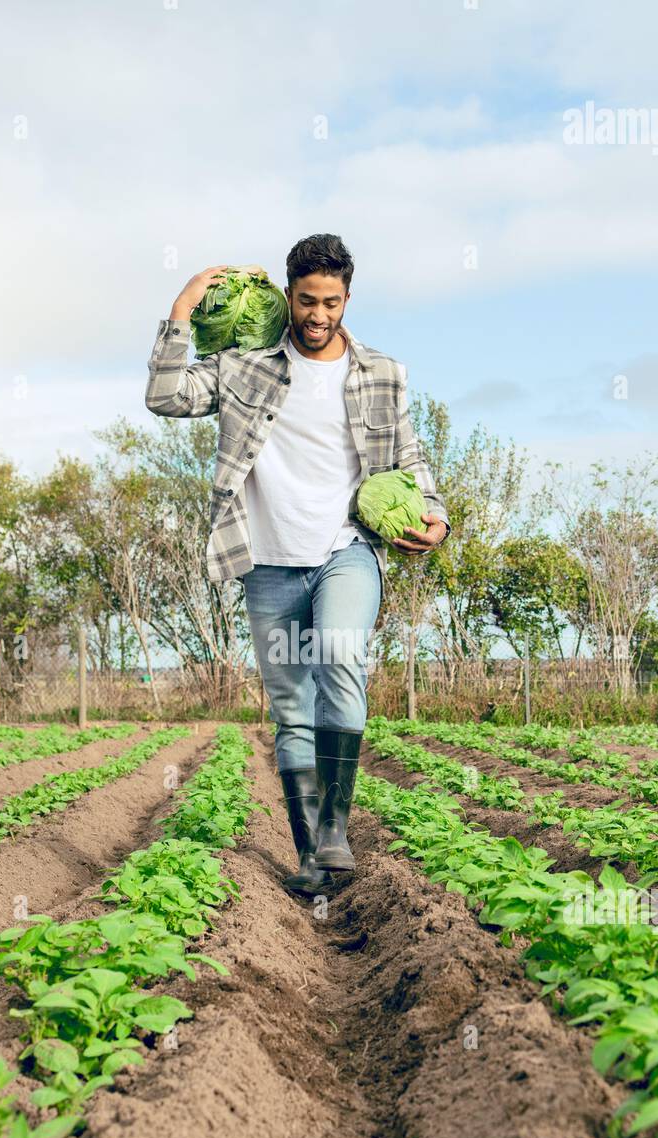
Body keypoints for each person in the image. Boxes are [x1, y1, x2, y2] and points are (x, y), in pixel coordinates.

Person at [145, 233, 450, 895]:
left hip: (345, 549)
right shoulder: (244, 366)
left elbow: (409, 457)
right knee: (292, 709)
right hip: (265, 560)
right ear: (289, 295)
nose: (318, 315)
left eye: (331, 302)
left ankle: (335, 829)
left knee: (340, 653)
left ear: (347, 298)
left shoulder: (380, 372)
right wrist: (181, 307)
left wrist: (435, 513)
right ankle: (313, 856)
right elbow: (165, 398)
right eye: (307, 301)